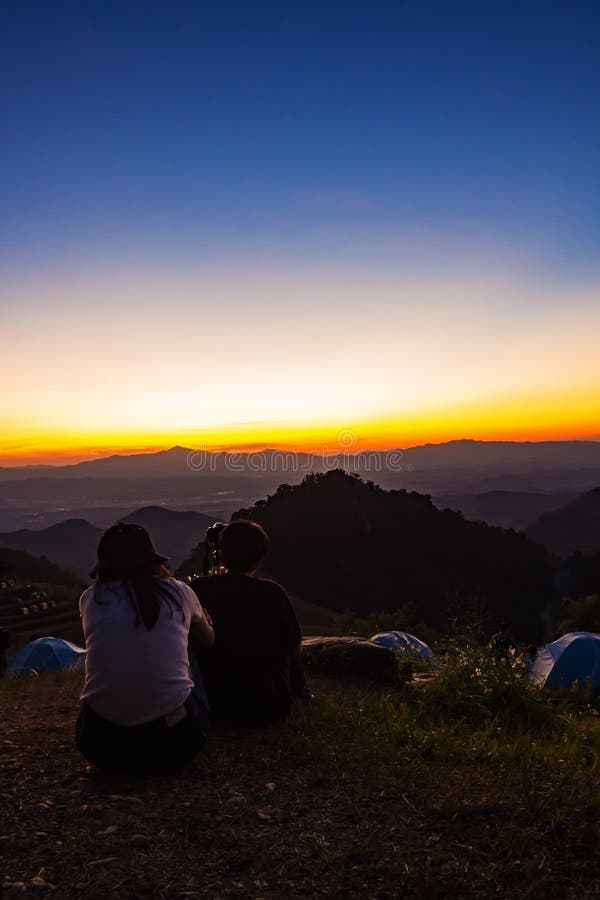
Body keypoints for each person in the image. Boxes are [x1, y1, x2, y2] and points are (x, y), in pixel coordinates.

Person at [76, 523, 214, 770]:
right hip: (174, 744)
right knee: (189, 643)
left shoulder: (90, 599)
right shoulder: (178, 592)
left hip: (100, 746)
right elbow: (208, 640)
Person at [191, 519, 309, 726]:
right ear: (260, 557)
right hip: (267, 706)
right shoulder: (273, 593)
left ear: (220, 553)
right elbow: (293, 646)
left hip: (212, 703)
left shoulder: (199, 589)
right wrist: (299, 688)